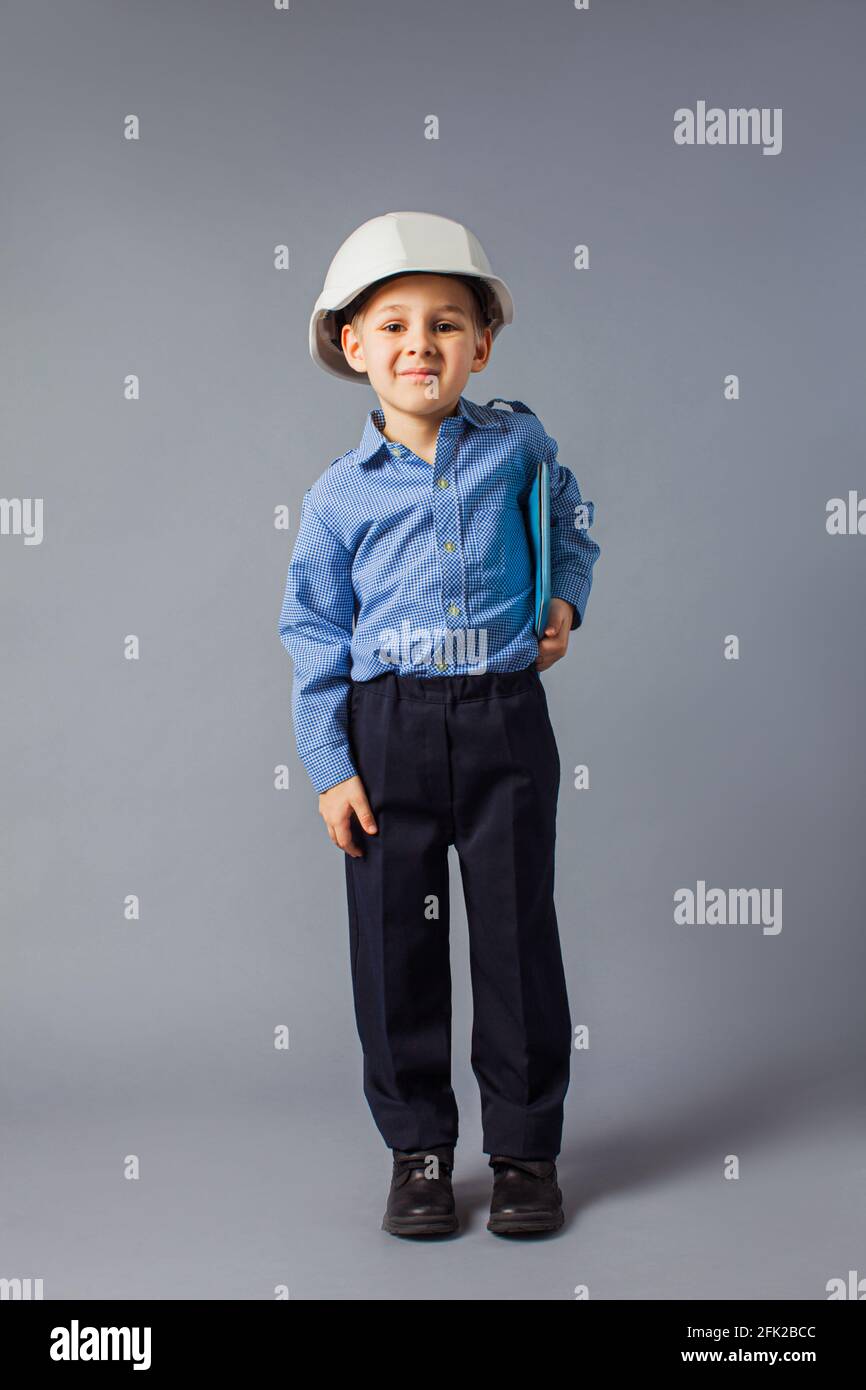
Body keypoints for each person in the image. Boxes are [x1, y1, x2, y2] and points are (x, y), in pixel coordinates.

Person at [278, 211, 600, 1238]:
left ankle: (522, 1151)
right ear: (352, 344)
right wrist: (331, 764)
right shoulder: (336, 499)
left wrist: (560, 598)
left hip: (504, 719)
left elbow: (569, 518)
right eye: (396, 324)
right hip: (388, 729)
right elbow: (313, 632)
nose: (421, 343)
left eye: (447, 323)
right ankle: (417, 1149)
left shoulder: (515, 443)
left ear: (481, 346)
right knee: (394, 946)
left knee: (514, 936)